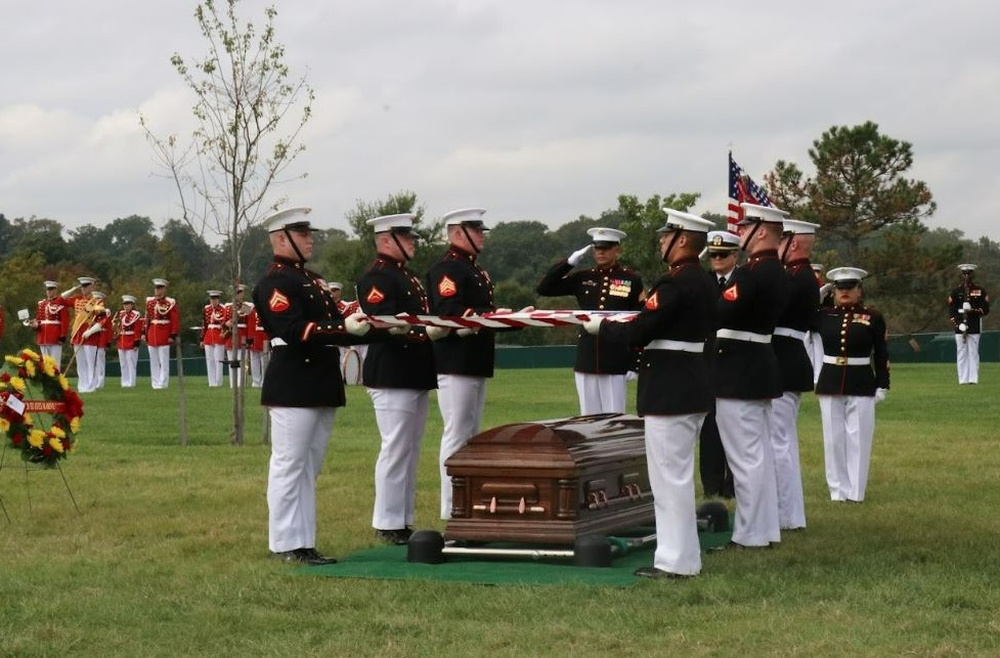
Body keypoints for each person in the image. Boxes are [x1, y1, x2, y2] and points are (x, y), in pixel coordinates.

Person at [583, 209, 716, 578]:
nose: (660, 241)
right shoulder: (705, 281)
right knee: (678, 476)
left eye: (666, 235)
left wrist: (602, 328)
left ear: (683, 240)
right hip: (692, 385)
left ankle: (676, 562)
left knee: (668, 479)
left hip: (670, 390)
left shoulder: (674, 284)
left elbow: (640, 331)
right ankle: (683, 556)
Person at [251, 206, 375, 566]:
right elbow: (292, 329)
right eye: (302, 234)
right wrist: (345, 329)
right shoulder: (275, 282)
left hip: (319, 378)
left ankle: (303, 540)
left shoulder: (311, 280)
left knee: (309, 466)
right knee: (290, 463)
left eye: (309, 233)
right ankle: (286, 542)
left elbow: (332, 324)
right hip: (294, 379)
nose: (310, 239)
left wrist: (373, 329)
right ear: (280, 239)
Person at [356, 213, 446, 544]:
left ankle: (402, 518)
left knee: (410, 448)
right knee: (396, 447)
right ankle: (388, 520)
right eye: (405, 238)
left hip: (412, 370)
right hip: (392, 371)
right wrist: (423, 331)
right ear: (384, 240)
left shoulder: (405, 276)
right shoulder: (378, 276)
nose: (412, 243)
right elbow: (383, 321)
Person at [713, 202, 790, 549]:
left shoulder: (751, 273)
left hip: (738, 370)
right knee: (758, 454)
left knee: (744, 458)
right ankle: (765, 529)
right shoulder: (777, 271)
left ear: (760, 231)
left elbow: (721, 312)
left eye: (744, 227)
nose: (739, 231)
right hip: (757, 365)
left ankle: (749, 534)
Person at [425, 207, 498, 519]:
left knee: (471, 434)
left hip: (474, 359)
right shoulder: (449, 269)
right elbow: (449, 311)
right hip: (456, 360)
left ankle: (466, 502)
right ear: (457, 233)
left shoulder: (474, 269)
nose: (482, 235)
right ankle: (452, 508)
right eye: (476, 230)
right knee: (457, 433)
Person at [536, 227, 644, 415]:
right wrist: (569, 262)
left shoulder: (631, 280)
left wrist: (635, 362)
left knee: (614, 419)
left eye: (606, 248)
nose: (600, 252)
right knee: (588, 418)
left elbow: (641, 321)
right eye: (597, 248)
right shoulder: (583, 277)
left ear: (617, 250)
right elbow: (545, 288)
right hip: (587, 357)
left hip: (615, 357)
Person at [815, 267, 890, 503]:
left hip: (861, 380)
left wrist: (882, 384)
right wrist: (818, 294)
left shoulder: (873, 317)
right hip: (830, 380)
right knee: (833, 439)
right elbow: (799, 314)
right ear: (833, 291)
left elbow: (881, 353)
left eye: (849, 288)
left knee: (859, 438)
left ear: (859, 290)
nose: (844, 292)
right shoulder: (823, 314)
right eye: (840, 288)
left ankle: (856, 492)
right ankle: (837, 491)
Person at [770, 218, 821, 531]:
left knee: (779, 442)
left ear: (794, 242)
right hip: (786, 360)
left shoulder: (797, 277)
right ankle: (789, 513)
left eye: (780, 239)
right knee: (782, 441)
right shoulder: (796, 275)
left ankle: (786, 514)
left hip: (784, 362)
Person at [698, 231, 739, 500]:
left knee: (735, 426)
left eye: (722, 254)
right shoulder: (703, 283)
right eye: (712, 255)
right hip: (708, 359)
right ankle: (711, 483)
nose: (716, 259)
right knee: (710, 426)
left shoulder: (743, 280)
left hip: (736, 359)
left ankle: (733, 483)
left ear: (735, 255)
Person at [59, 276, 105, 393]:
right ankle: (82, 386)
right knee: (81, 364)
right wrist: (74, 289)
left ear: (92, 286)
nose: (83, 289)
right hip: (77, 334)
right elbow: (60, 299)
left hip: (90, 335)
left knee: (91, 363)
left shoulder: (97, 301)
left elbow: (102, 321)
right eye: (82, 286)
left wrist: (90, 332)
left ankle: (91, 386)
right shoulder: (77, 299)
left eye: (86, 286)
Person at [948, 264, 990, 385]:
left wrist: (972, 310)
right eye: (964, 274)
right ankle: (963, 379)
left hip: (974, 325)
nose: (967, 276)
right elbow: (952, 311)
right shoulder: (956, 292)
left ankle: (973, 378)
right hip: (960, 326)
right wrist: (959, 324)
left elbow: (985, 309)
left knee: (973, 352)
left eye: (969, 274)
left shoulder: (980, 290)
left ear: (972, 275)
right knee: (961, 352)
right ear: (961, 275)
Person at [144, 278, 180, 390]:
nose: (157, 291)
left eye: (159, 288)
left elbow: (174, 320)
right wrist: (144, 333)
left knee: (163, 361)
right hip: (152, 333)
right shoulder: (150, 302)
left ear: (164, 289)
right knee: (153, 361)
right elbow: (147, 319)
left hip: (164, 333)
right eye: (156, 288)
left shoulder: (170, 302)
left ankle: (163, 383)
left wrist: (172, 334)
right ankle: (155, 383)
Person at [30, 281, 71, 366]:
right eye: (47, 290)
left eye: (51, 289)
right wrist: (35, 325)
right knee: (45, 364)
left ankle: (55, 379)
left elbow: (65, 321)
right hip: (42, 337)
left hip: (55, 337)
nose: (49, 292)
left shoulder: (60, 304)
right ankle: (47, 379)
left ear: (56, 290)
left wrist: (63, 336)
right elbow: (38, 319)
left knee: (55, 363)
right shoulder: (42, 304)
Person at [227, 285, 254, 388]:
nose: (238, 295)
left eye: (240, 293)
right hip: (231, 335)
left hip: (242, 334)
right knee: (231, 362)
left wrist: (249, 338)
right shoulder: (228, 306)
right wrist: (227, 323)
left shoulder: (247, 306)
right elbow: (224, 324)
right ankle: (232, 384)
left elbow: (250, 323)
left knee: (242, 362)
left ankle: (241, 384)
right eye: (237, 293)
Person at [201, 290, 229, 387]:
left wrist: (224, 336)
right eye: (212, 299)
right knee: (210, 360)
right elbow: (204, 324)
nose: (213, 301)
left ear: (218, 299)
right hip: (209, 335)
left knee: (218, 360)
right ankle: (211, 382)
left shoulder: (224, 309)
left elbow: (225, 324)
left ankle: (218, 382)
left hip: (219, 335)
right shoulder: (207, 309)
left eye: (215, 299)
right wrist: (202, 338)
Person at [114, 295, 143, 388]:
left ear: (132, 305)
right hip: (122, 340)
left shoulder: (136, 314)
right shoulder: (121, 314)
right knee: (123, 364)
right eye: (124, 304)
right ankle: (124, 382)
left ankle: (131, 382)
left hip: (131, 340)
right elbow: (118, 326)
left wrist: (136, 342)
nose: (125, 306)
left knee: (131, 363)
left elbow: (137, 329)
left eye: (128, 304)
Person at [91, 291, 113, 389]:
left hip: (102, 337)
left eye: (97, 299)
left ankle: (100, 382)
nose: (95, 301)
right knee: (92, 361)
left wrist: (108, 341)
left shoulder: (106, 312)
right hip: (93, 337)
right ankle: (93, 380)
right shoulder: (90, 311)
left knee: (100, 361)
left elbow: (108, 327)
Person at [246, 303, 268, 388]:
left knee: (264, 362)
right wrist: (249, 337)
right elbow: (247, 322)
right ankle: (256, 381)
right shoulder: (250, 308)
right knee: (254, 361)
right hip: (253, 337)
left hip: (264, 337)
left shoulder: (266, 307)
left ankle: (264, 381)